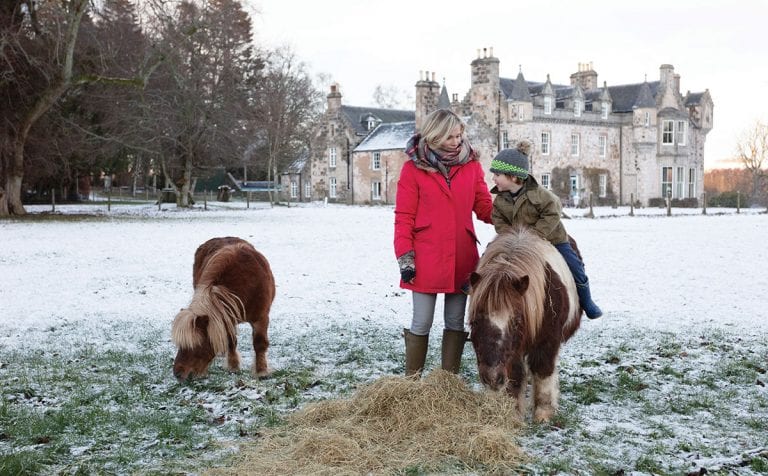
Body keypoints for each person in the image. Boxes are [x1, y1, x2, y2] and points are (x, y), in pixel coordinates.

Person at [394, 109, 493, 377]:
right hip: (426, 258)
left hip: (462, 256)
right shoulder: (413, 169)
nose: (457, 141)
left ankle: (447, 385)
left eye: (459, 135)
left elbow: (483, 206)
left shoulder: (471, 166)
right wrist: (405, 257)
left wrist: (511, 211)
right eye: (450, 136)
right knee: (421, 321)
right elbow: (404, 218)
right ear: (434, 136)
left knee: (455, 322)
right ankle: (411, 383)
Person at [488, 140, 603, 319]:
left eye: (497, 174)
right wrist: (508, 235)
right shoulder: (501, 199)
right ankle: (479, 283)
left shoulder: (541, 195)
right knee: (489, 253)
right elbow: (498, 218)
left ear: (513, 176)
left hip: (552, 239)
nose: (493, 179)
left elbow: (552, 212)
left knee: (575, 266)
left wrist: (535, 235)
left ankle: (587, 301)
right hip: (515, 240)